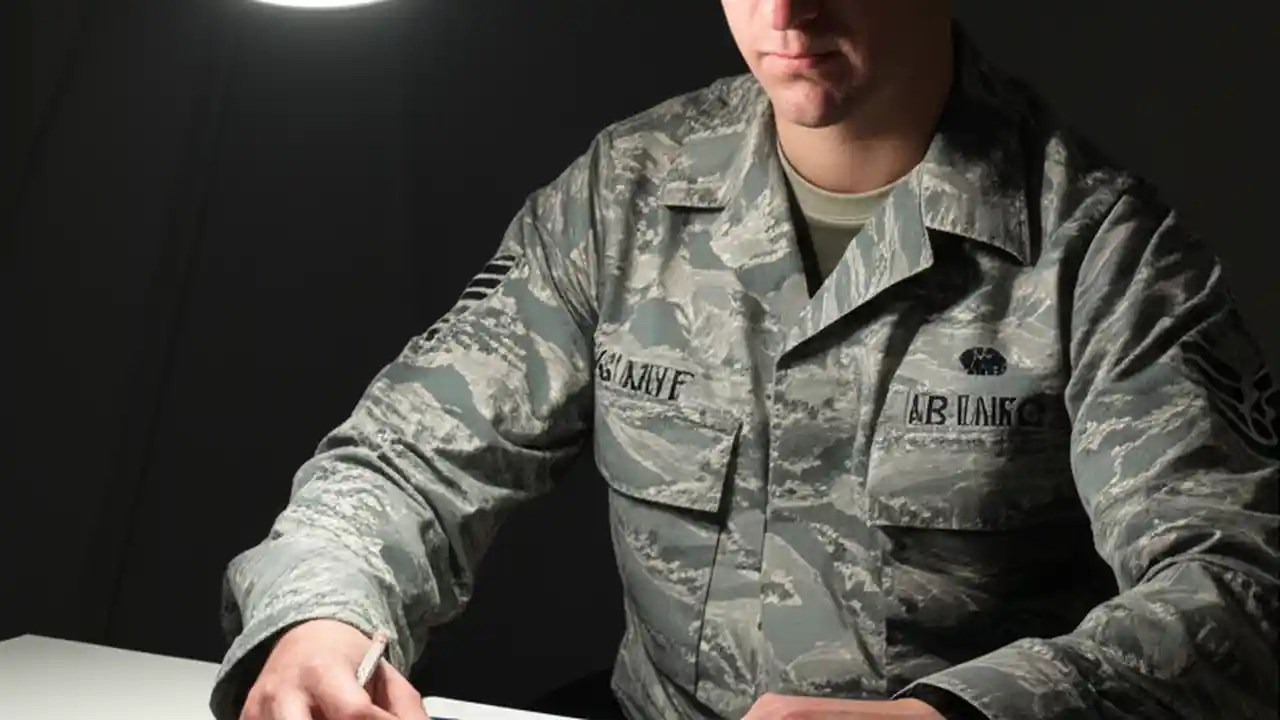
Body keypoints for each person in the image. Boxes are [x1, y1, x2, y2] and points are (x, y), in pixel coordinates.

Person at [210, 1, 1280, 719]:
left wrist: (950, 716)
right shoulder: (623, 194)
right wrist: (322, 618)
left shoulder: (1100, 252)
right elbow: (407, 457)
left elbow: (1232, 584)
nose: (785, 9)